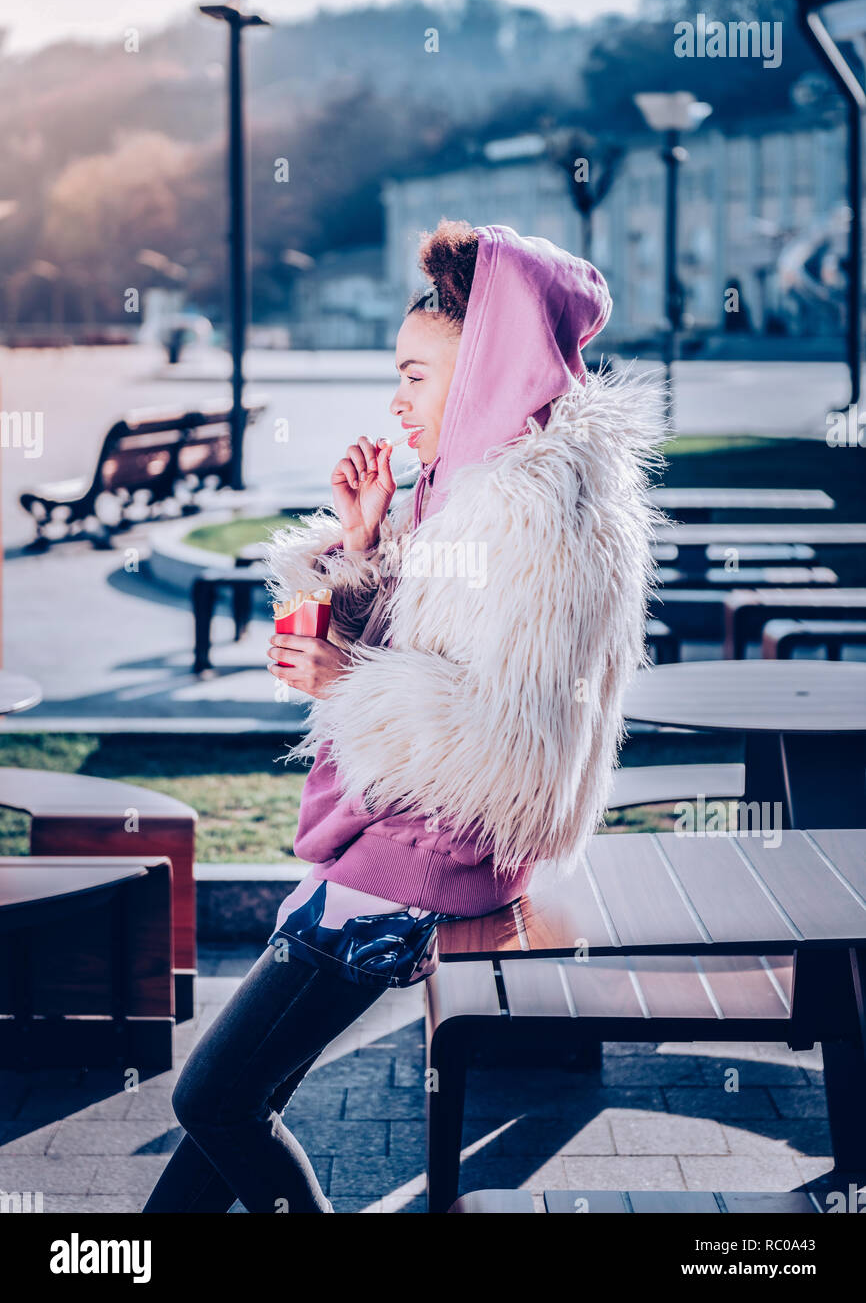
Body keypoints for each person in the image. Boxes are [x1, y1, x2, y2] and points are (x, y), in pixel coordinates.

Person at [142, 219, 664, 1215]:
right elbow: (427, 647)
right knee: (239, 1099)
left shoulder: (540, 518)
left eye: (419, 375)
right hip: (404, 837)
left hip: (431, 853)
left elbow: (511, 752)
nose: (398, 398)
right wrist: (361, 542)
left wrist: (347, 682)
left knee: (213, 1099)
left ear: (483, 375)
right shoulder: (469, 492)